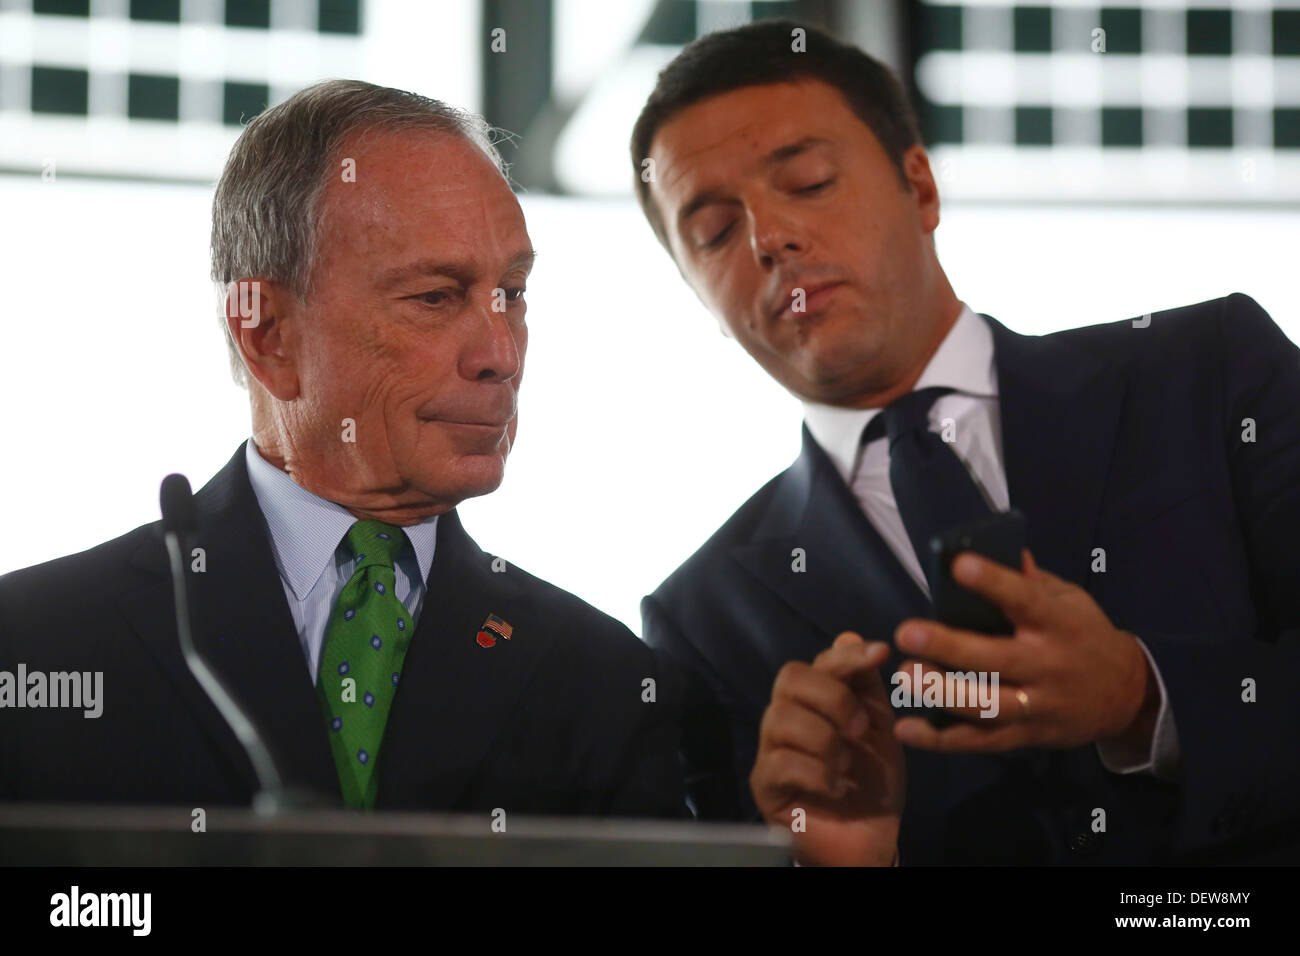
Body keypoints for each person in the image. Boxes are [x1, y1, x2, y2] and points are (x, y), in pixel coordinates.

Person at [631, 20, 1300, 864]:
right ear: (700, 299)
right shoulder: (701, 623)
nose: (769, 238)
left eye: (807, 180)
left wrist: (1144, 697)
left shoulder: (1210, 375)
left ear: (921, 187)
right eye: (716, 232)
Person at [0, 80, 688, 820]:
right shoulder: (35, 644)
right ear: (266, 334)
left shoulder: (601, 676)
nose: (501, 354)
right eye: (435, 297)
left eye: (511, 294)